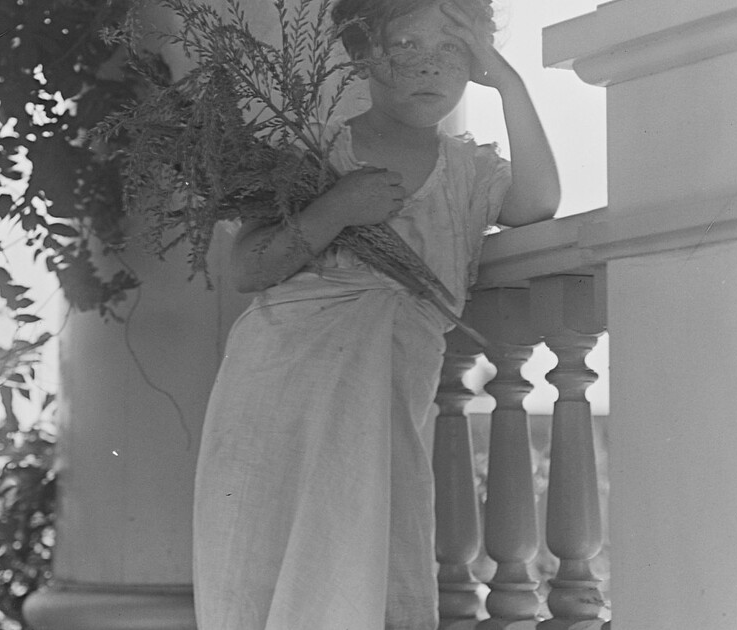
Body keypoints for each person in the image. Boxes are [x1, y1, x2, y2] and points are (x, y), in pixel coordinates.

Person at [192, 0, 560, 627]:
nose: (429, 66)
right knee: (268, 561)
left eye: (451, 48)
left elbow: (540, 201)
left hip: (387, 400)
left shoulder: (467, 171)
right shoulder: (315, 152)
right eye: (406, 45)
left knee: (373, 557)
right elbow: (249, 267)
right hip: (283, 388)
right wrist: (335, 208)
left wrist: (509, 81)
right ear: (362, 53)